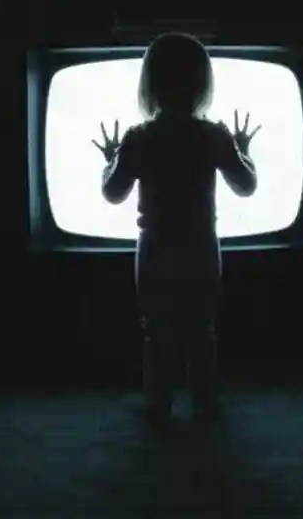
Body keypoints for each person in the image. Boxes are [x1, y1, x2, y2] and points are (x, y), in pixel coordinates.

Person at [91, 32, 260, 428]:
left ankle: (158, 404)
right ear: (203, 82)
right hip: (202, 247)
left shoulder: (139, 138)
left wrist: (110, 160)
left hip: (154, 249)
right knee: (202, 329)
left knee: (156, 332)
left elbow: (113, 194)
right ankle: (205, 403)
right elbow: (246, 186)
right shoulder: (214, 135)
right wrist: (244, 150)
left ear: (148, 84)